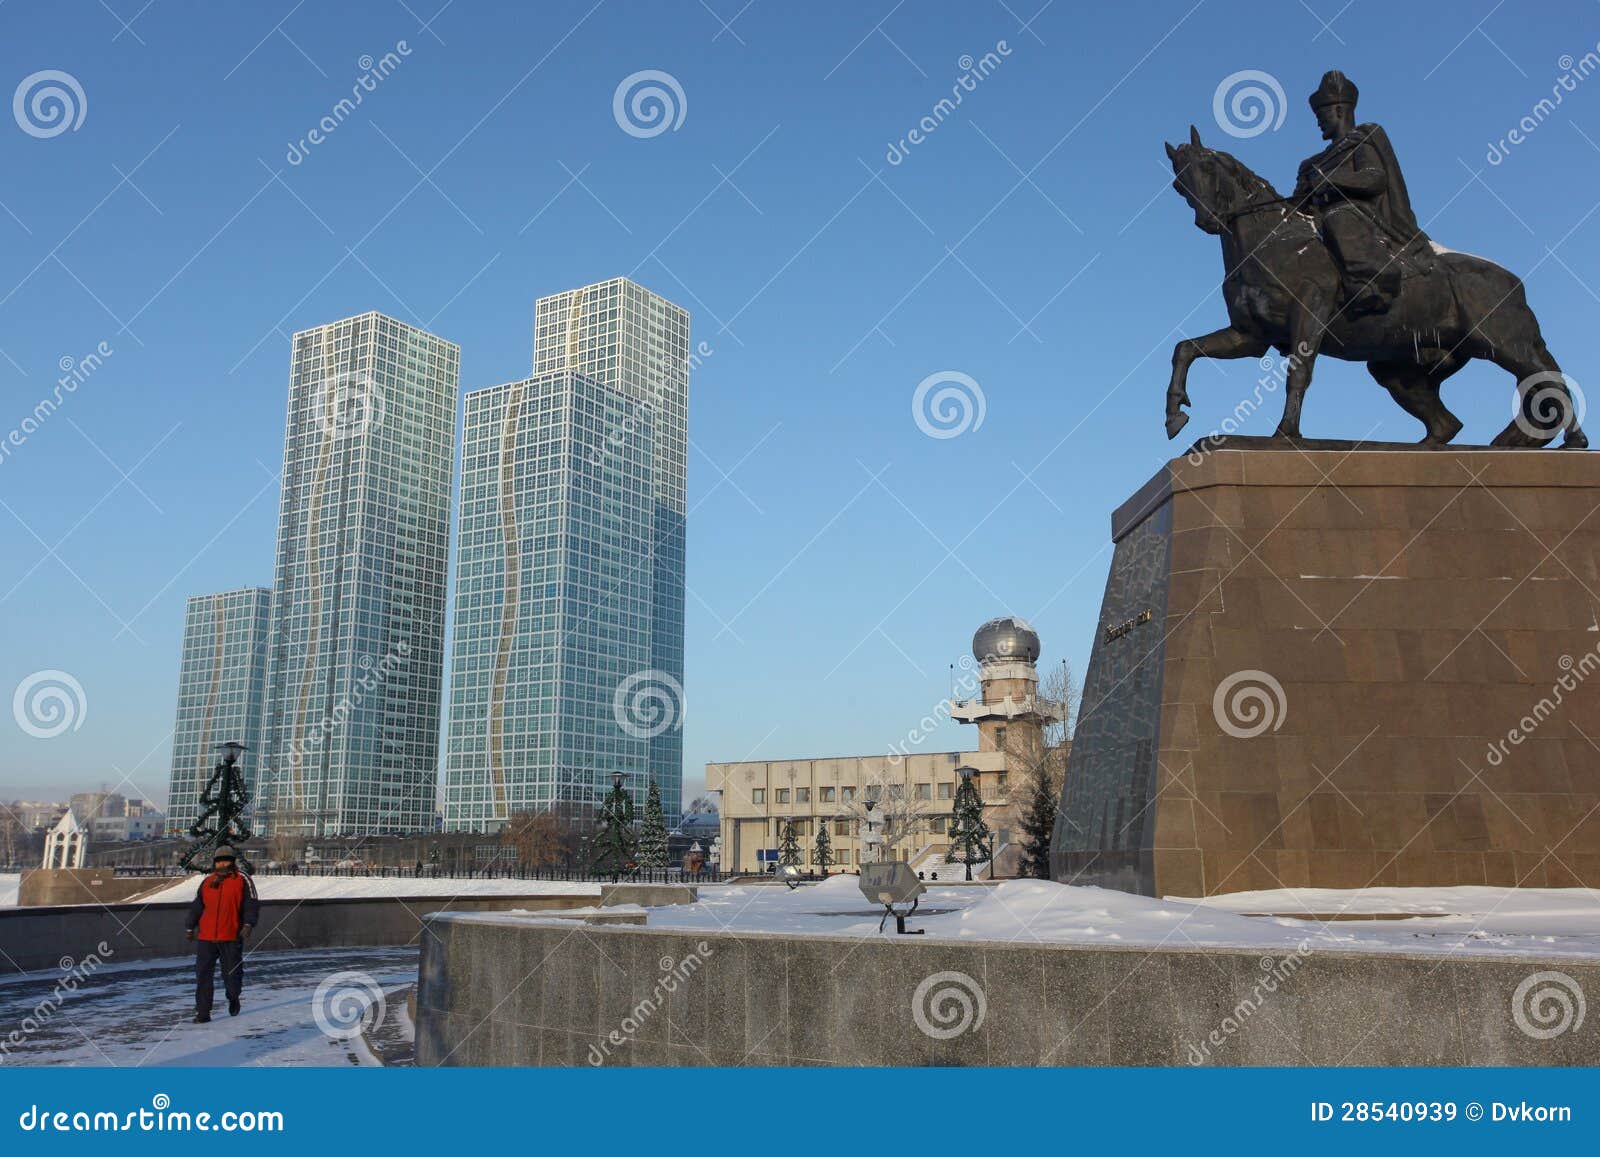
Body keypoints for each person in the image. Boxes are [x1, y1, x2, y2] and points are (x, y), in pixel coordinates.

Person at [1291, 70, 1431, 316]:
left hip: (1359, 217)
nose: (1318, 121)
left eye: (1321, 114)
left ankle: (1372, 279)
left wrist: (1332, 179)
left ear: (1340, 110)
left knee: (1338, 216)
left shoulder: (1361, 142)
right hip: (1320, 223)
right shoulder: (1311, 164)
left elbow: (1374, 177)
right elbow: (1298, 204)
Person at [184, 846, 259, 1023]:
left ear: (232, 862)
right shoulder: (207, 882)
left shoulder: (242, 880)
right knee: (203, 975)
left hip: (231, 936)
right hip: (206, 937)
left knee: (231, 974)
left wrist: (248, 924)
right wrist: (190, 926)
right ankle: (203, 1012)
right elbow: (198, 906)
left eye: (226, 860)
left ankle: (233, 996)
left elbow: (252, 904)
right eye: (219, 861)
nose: (222, 864)